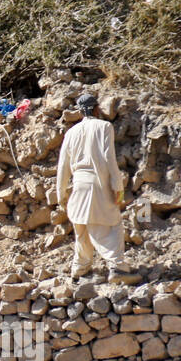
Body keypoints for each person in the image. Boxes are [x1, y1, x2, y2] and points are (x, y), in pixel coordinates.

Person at [56, 93, 134, 282]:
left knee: (81, 229)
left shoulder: (71, 132)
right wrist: (118, 186)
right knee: (110, 226)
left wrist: (61, 192)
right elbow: (109, 158)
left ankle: (80, 268)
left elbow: (63, 165)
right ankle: (117, 268)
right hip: (98, 186)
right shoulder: (104, 127)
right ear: (97, 109)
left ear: (81, 112)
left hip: (78, 187)